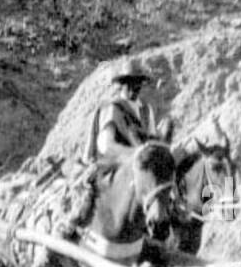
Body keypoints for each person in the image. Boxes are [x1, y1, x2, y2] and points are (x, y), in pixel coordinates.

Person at [59, 58, 173, 237]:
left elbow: (150, 140)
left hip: (140, 166)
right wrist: (136, 154)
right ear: (121, 85)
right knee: (89, 191)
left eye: (137, 83)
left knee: (161, 187)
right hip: (114, 163)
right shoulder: (113, 109)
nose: (133, 88)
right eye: (129, 83)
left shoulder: (146, 110)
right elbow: (106, 146)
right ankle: (72, 226)